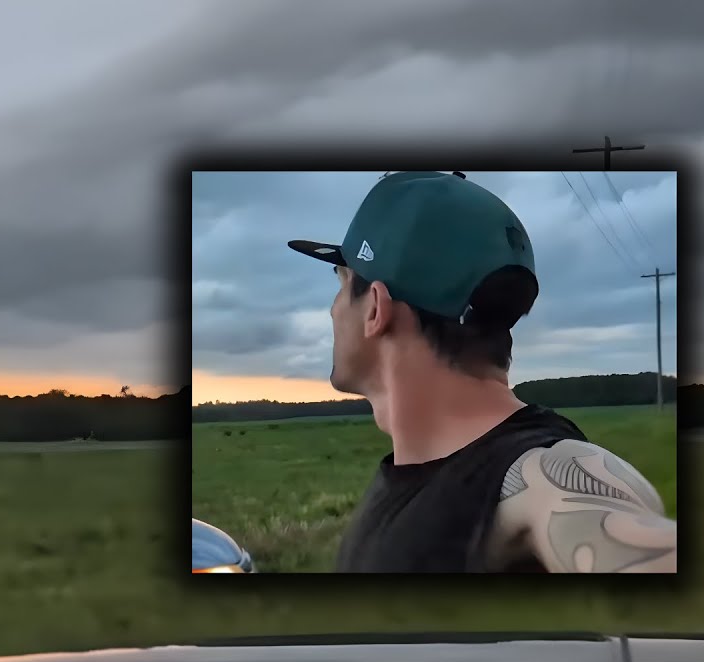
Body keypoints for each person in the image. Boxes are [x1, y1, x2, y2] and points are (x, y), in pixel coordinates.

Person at [287, 170, 677, 573]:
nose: (333, 309)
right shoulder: (422, 471)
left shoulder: (538, 471)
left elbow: (600, 515)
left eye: (341, 282)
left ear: (374, 309)